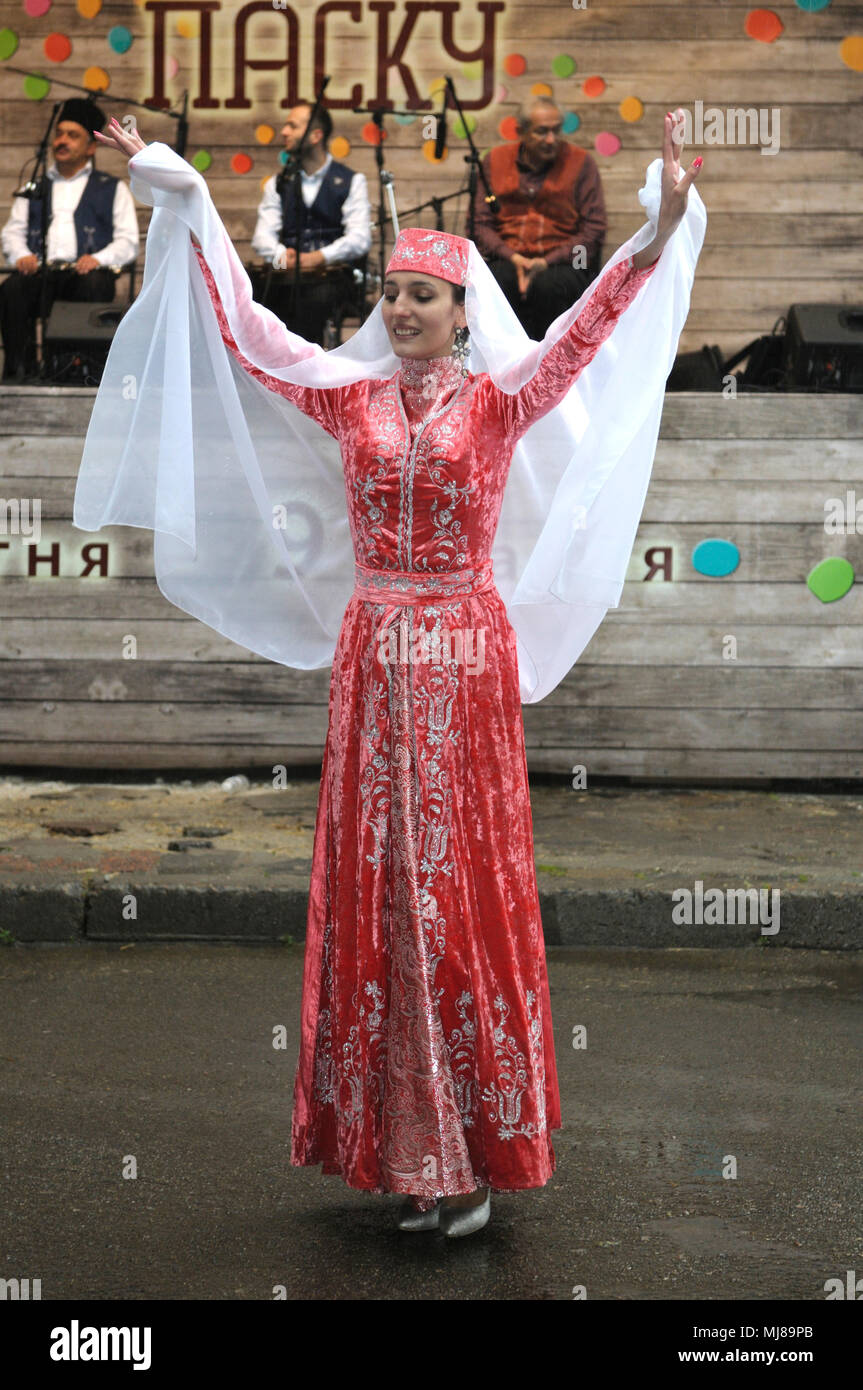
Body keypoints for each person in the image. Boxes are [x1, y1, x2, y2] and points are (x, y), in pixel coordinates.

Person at [77, 112, 704, 1238]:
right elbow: (245, 330)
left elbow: (593, 329)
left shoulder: (501, 403)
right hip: (374, 662)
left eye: (426, 297)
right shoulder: (346, 396)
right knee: (386, 896)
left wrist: (656, 225)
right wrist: (179, 198)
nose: (405, 311)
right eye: (395, 296)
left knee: (455, 896)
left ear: (464, 314)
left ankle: (468, 1151)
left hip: (463, 661)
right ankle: (405, 1151)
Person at [0, 99, 139, 380]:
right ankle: (18, 370)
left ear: (90, 147)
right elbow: (13, 232)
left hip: (85, 275)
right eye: (59, 133)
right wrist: (21, 256)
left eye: (72, 135)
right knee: (12, 289)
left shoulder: (112, 188)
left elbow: (128, 242)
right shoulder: (36, 185)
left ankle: (79, 370)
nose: (62, 141)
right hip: (42, 273)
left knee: (94, 284)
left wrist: (97, 259)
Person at [470, 96, 607, 341]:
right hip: (506, 257)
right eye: (542, 132)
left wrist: (547, 261)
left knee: (551, 286)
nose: (551, 139)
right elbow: (480, 224)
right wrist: (513, 257)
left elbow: (593, 230)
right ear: (521, 132)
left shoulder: (581, 163)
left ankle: (555, 370)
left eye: (556, 130)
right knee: (497, 283)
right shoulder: (494, 161)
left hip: (562, 262)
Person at [250, 102, 371, 345]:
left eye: (292, 126)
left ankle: (303, 368)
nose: (284, 132)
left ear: (316, 136)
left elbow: (360, 239)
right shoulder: (279, 182)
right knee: (250, 289)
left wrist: (318, 257)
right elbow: (261, 239)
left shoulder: (351, 181)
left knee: (312, 298)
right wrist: (282, 257)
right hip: (286, 274)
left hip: (332, 277)